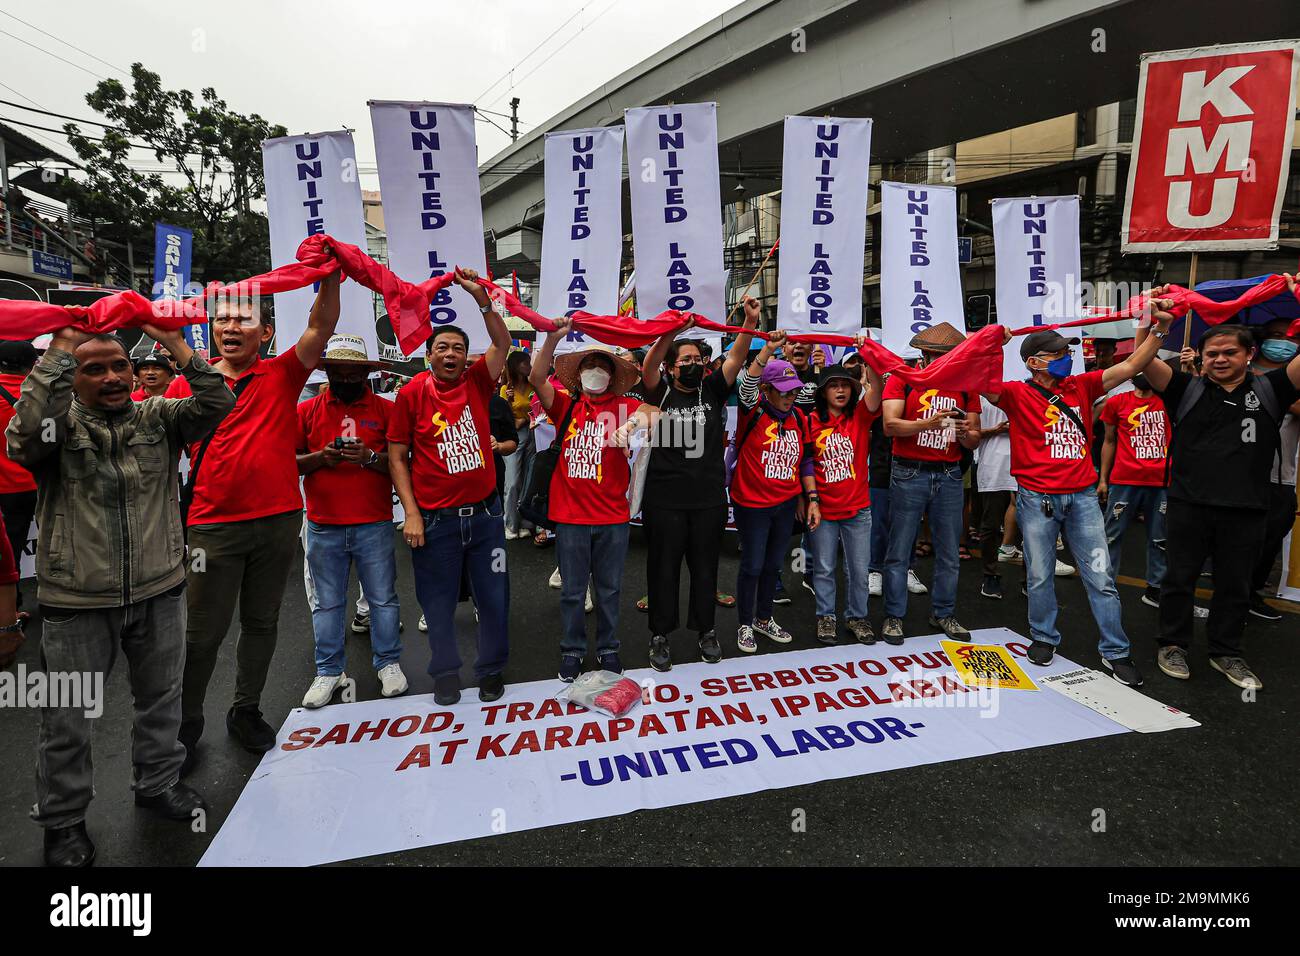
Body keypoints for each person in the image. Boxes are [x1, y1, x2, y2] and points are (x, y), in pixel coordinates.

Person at [6, 321, 234, 867]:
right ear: (72, 377)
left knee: (161, 701)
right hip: (76, 600)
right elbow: (22, 435)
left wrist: (177, 343)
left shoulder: (160, 416)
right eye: (93, 368)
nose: (111, 377)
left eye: (119, 366)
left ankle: (157, 784)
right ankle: (62, 823)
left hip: (159, 589)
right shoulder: (56, 429)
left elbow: (218, 398)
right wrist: (61, 348)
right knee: (65, 718)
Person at [180, 272, 343, 772]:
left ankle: (245, 710)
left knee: (262, 623)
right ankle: (184, 727)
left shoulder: (283, 374)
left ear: (265, 334)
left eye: (243, 319)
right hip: (211, 529)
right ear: (212, 331)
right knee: (202, 635)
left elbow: (321, 324)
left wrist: (332, 276)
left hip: (276, 523)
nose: (231, 326)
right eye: (222, 319)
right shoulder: (190, 382)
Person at [983, 302, 1174, 687]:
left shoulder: (1082, 385)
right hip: (1037, 500)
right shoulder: (1014, 394)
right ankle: (1043, 637)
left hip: (1084, 499)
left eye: (1067, 352)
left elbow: (1132, 365)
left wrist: (1160, 330)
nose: (1067, 359)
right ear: (1034, 362)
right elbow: (979, 383)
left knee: (1101, 577)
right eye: (1058, 354)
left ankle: (1115, 651)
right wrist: (992, 346)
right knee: (1039, 575)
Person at [1140, 281, 1300, 690]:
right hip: (1188, 504)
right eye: (1212, 353)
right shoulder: (1185, 387)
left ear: (1250, 354)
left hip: (1246, 507)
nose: (1219, 359)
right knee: (1179, 579)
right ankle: (1172, 644)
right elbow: (1144, 362)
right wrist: (1151, 318)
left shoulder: (1271, 388)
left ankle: (1227, 652)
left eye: (1230, 352)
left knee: (1235, 584)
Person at [389, 269, 512, 706]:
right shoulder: (411, 394)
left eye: (459, 348)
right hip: (435, 522)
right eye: (442, 347)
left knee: (494, 596)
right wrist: (412, 513)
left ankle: (491, 669)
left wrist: (482, 299)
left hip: (486, 519)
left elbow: (503, 344)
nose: (451, 354)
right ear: (429, 355)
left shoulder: (479, 382)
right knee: (437, 604)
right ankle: (444, 673)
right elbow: (397, 454)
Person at [635, 298, 759, 671]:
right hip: (665, 501)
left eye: (696, 359)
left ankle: (706, 631)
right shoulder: (659, 392)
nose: (692, 364)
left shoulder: (713, 390)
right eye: (684, 360)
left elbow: (736, 358)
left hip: (707, 501)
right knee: (663, 571)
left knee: (705, 570)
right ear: (671, 368)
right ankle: (660, 635)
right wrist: (672, 330)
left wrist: (750, 321)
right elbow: (648, 365)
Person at [530, 321, 655, 681]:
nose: (594, 372)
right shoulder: (566, 407)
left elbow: (656, 414)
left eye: (602, 367)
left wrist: (630, 427)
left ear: (613, 376)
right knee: (572, 591)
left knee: (610, 589)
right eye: (588, 366)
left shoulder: (623, 406)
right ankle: (572, 650)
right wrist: (553, 337)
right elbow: (539, 377)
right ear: (578, 373)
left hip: (613, 517)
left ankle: (608, 648)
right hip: (570, 517)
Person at [296, 334, 405, 708]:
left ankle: (388, 663)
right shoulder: (306, 411)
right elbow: (288, 461)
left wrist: (369, 459)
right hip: (323, 524)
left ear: (364, 373)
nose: (345, 377)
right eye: (338, 371)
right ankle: (328, 670)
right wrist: (319, 458)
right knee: (326, 603)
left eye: (352, 372)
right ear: (326, 371)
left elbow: (400, 465)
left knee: (383, 600)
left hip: (373, 522)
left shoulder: (387, 410)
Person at [880, 323, 980, 643]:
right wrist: (930, 422)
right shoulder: (902, 379)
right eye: (941, 356)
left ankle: (944, 612)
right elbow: (891, 426)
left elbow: (975, 439)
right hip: (909, 472)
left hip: (950, 473)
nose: (948, 361)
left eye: (952, 356)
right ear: (925, 355)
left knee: (949, 551)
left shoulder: (966, 385)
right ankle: (894, 617)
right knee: (899, 549)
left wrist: (966, 434)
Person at [730, 332, 819, 653]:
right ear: (766, 391)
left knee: (772, 566)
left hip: (784, 505)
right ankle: (744, 623)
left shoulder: (798, 418)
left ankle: (764, 618)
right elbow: (747, 385)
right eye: (782, 391)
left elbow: (807, 459)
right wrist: (767, 350)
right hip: (752, 505)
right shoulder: (752, 412)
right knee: (752, 565)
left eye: (793, 390)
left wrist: (809, 499)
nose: (789, 396)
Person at [807, 357, 883, 644]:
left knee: (859, 569)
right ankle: (826, 617)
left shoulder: (861, 416)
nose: (840, 391)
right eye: (833, 386)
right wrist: (812, 500)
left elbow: (876, 387)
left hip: (858, 509)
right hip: (824, 510)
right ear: (823, 392)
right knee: (824, 568)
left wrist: (873, 355)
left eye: (845, 385)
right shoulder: (810, 421)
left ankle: (857, 617)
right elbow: (807, 464)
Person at [1097, 372, 1170, 604]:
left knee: (1160, 538)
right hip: (1124, 480)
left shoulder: (1169, 402)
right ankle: (1104, 584)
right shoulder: (1116, 402)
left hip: (1161, 482)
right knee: (1111, 536)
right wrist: (1103, 480)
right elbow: (1109, 441)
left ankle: (1155, 588)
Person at [1247, 317, 1300, 622]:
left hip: (1282, 476)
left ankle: (1252, 591)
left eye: (1290, 336)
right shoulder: (1239, 373)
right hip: (1242, 474)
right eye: (1275, 335)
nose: (1282, 342)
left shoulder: (1293, 381)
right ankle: (1232, 592)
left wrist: (1282, 394)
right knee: (1238, 539)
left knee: (1271, 539)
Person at [0, 340, 38, 619]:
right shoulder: (42, 395)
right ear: (31, 364)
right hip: (40, 484)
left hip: (5, 488)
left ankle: (8, 612)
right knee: (53, 543)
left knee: (8, 552)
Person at [974, 397, 1016, 600]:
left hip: (1025, 465)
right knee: (990, 525)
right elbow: (968, 432)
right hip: (993, 466)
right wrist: (995, 430)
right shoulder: (980, 397)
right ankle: (990, 576)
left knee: (1031, 526)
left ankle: (1030, 580)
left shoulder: (1024, 392)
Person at [500, 350, 536, 540]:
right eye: (524, 363)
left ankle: (523, 522)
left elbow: (539, 408)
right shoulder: (506, 389)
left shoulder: (534, 385)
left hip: (533, 433)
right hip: (515, 436)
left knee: (528, 479)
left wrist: (524, 419)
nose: (528, 365)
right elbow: (505, 417)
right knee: (512, 481)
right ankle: (510, 523)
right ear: (515, 365)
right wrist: (508, 401)